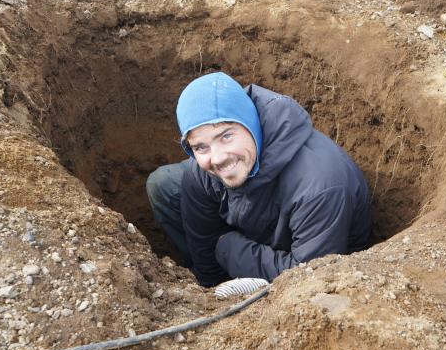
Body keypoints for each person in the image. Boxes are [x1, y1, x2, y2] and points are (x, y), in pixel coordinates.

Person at [146, 72, 371, 287]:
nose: (217, 158)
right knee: (166, 184)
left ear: (250, 123)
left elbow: (310, 278)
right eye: (200, 147)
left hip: (309, 261)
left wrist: (229, 249)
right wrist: (210, 294)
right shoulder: (203, 169)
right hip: (256, 230)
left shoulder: (320, 184)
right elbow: (204, 250)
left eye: (226, 136)